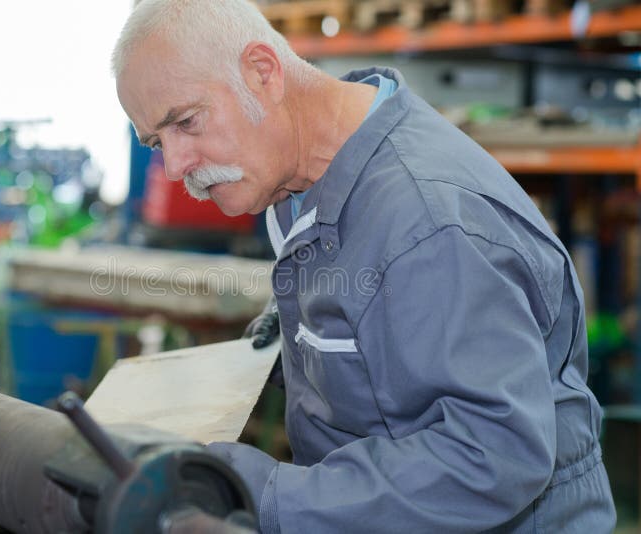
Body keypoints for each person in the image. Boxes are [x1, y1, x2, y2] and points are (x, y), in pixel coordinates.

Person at [112, 1, 616, 532]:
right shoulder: (296, 174)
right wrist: (294, 335)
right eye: (156, 141)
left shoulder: (427, 223)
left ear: (262, 73)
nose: (174, 166)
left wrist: (265, 494)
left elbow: (492, 456)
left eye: (186, 122)